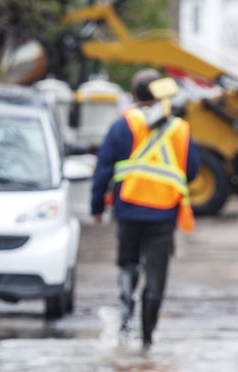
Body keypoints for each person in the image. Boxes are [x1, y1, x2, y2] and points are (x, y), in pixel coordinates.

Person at [90, 68, 200, 348]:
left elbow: (103, 168)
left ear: (133, 96)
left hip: (127, 211)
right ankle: (148, 339)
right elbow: (192, 170)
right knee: (156, 274)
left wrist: (96, 206)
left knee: (128, 265)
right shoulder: (180, 129)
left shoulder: (122, 125)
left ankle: (124, 328)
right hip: (163, 213)